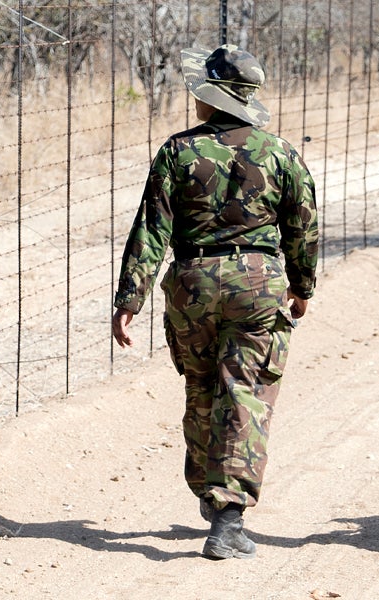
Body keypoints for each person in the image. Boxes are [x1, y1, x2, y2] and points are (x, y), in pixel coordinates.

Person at [111, 44, 318, 561]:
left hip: (192, 283)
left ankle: (209, 489)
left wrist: (130, 296)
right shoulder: (281, 153)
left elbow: (151, 228)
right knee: (244, 391)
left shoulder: (178, 152)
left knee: (202, 385)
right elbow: (304, 228)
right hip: (257, 285)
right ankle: (228, 517)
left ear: (213, 98)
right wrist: (302, 286)